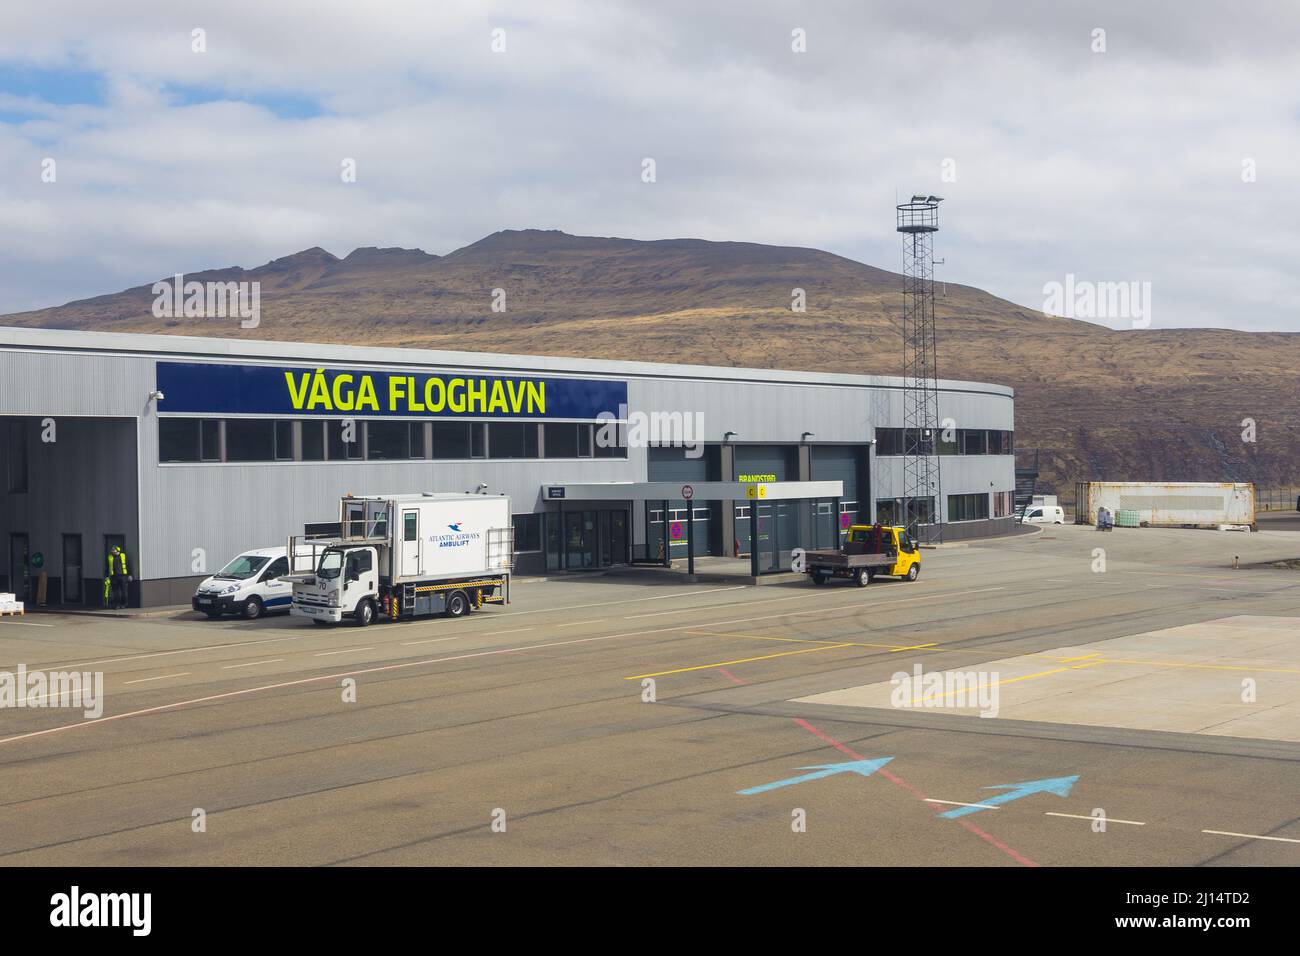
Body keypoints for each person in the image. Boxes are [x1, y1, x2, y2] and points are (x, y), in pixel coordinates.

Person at [106, 545, 131, 609]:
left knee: (124, 591)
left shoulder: (123, 556)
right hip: (114, 577)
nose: (112, 551)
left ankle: (124, 604)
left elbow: (128, 565)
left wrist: (129, 575)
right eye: (112, 550)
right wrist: (107, 577)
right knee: (115, 592)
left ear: (117, 550)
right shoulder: (110, 557)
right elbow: (107, 567)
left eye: (113, 550)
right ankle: (117, 605)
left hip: (123, 576)